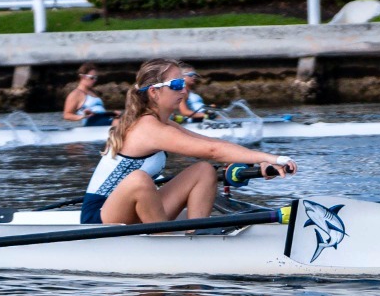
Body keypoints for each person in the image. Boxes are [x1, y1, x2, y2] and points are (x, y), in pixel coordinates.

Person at [82, 58, 295, 224]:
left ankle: (196, 236)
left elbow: (214, 145)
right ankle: (165, 243)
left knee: (204, 170)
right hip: (100, 216)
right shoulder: (147, 127)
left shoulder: (163, 124)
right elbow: (213, 151)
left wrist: (261, 160)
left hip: (134, 208)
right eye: (176, 84)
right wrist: (275, 156)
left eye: (183, 83)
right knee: (139, 179)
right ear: (155, 92)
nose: (184, 90)